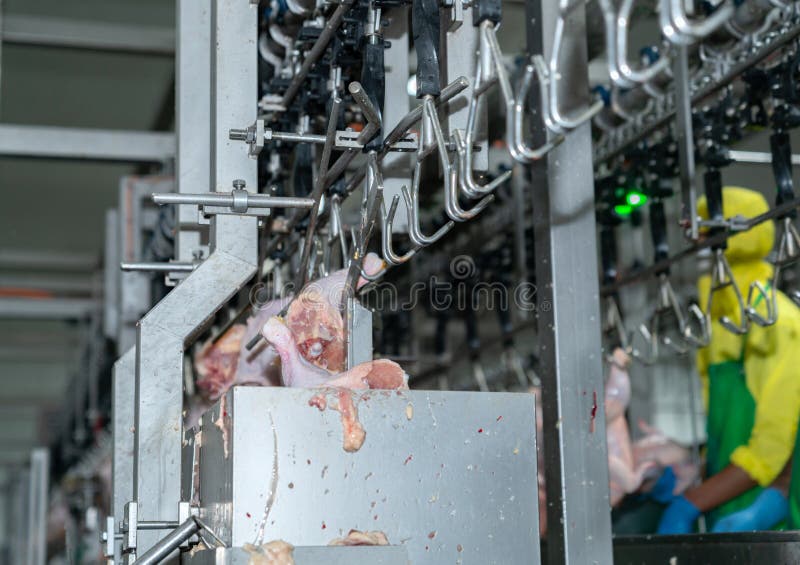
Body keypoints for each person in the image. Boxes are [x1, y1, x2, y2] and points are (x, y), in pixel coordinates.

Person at [657, 186, 800, 534]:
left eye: (708, 235)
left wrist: (692, 503)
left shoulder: (778, 322)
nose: (699, 246)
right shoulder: (720, 324)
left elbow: (773, 444)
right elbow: (725, 430)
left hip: (764, 513)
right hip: (726, 504)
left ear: (738, 235)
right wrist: (696, 472)